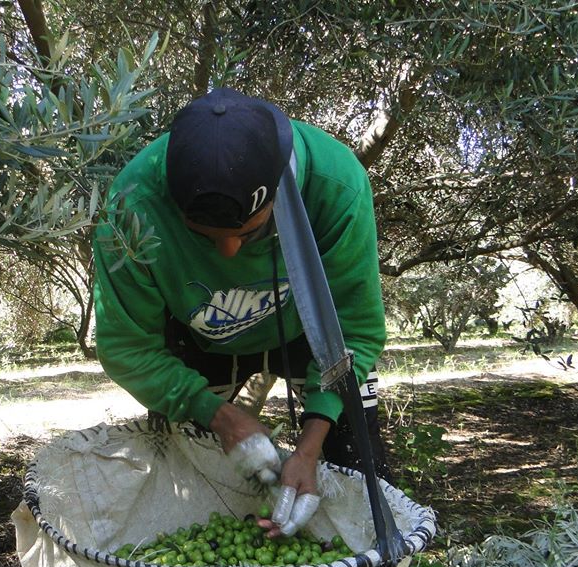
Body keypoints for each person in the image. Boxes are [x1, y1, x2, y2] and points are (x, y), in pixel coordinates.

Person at [92, 87, 388, 540]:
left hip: (310, 332)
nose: (227, 255)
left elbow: (355, 329)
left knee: (363, 474)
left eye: (248, 235)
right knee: (192, 482)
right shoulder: (133, 207)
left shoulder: (335, 187)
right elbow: (128, 347)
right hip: (200, 337)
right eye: (203, 237)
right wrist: (217, 414)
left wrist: (311, 444)